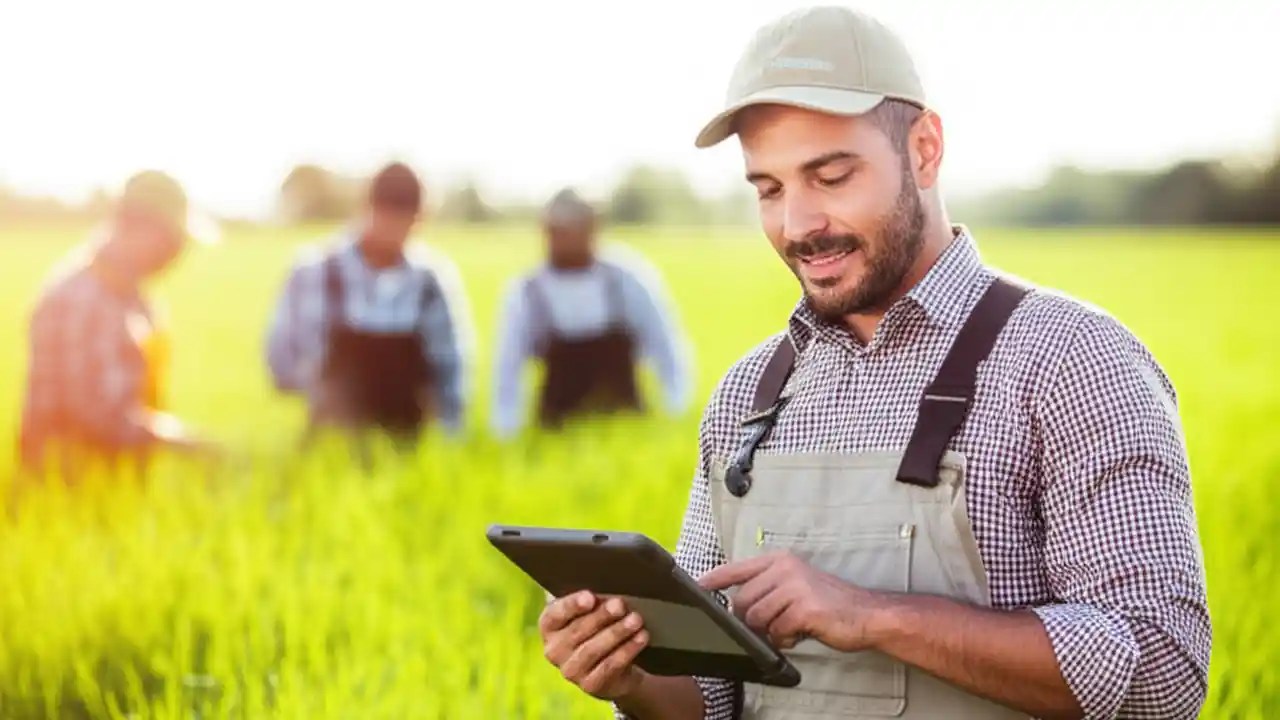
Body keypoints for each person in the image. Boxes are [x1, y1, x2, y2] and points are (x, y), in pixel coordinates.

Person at [534, 7, 1210, 720]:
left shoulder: (1072, 360)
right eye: (768, 189)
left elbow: (1162, 671)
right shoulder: (748, 396)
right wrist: (632, 680)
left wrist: (875, 616)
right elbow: (715, 693)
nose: (797, 225)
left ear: (923, 149)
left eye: (830, 176)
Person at [18, 170, 218, 479]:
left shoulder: (133, 295)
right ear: (137, 226)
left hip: (111, 481)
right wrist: (181, 442)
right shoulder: (83, 299)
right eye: (173, 239)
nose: (178, 253)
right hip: (66, 487)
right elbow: (94, 416)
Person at [266, 162, 473, 445]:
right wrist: (320, 397)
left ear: (420, 218)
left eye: (405, 218)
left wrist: (451, 431)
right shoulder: (317, 269)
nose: (394, 229)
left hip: (408, 437)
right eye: (387, 214)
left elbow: (450, 360)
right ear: (366, 207)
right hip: (332, 432)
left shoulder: (430, 280)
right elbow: (283, 354)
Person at [490, 188, 693, 437]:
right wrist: (506, 429)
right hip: (557, 428)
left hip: (626, 425)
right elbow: (508, 366)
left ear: (592, 228)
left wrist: (676, 407)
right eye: (556, 230)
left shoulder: (626, 278)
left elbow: (664, 344)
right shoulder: (527, 290)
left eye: (571, 228)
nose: (562, 238)